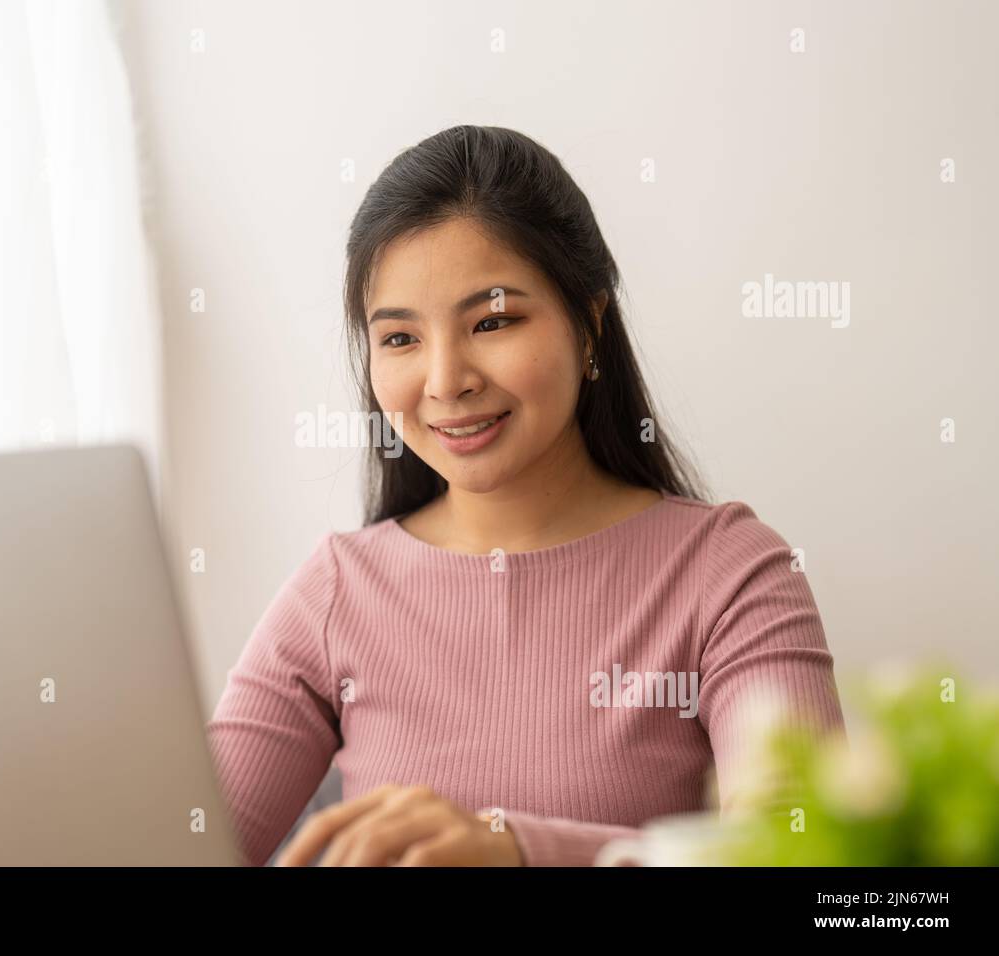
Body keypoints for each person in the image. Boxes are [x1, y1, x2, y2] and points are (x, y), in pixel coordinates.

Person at [206, 125, 844, 866]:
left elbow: (809, 864)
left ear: (588, 323)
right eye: (401, 339)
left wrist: (515, 851)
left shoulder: (729, 573)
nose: (446, 381)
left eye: (494, 321)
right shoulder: (335, 592)